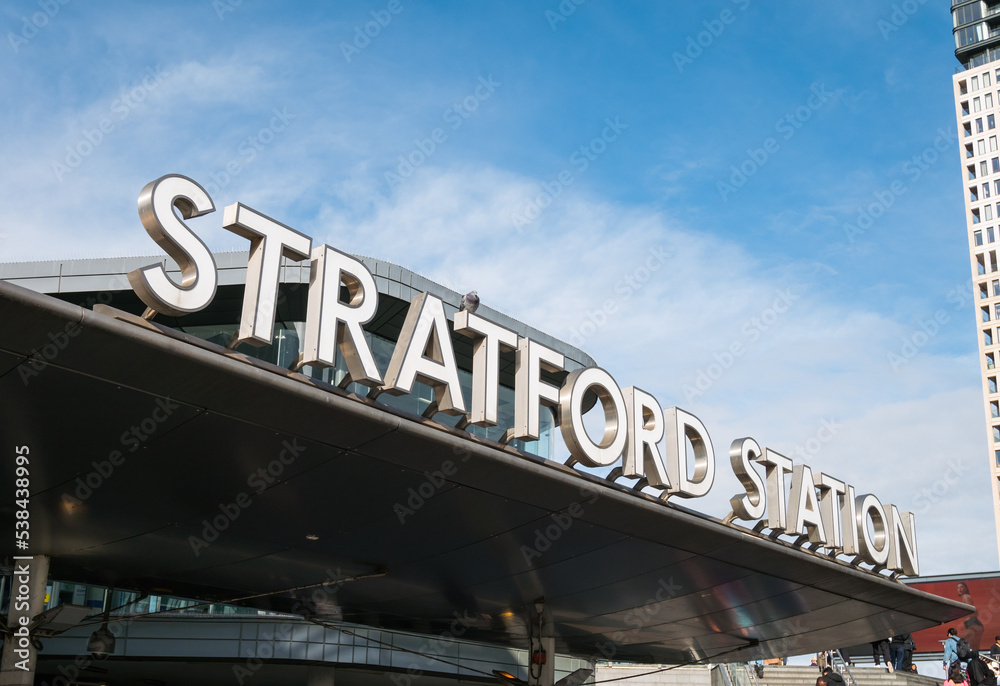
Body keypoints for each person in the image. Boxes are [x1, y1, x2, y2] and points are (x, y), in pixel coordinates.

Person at [960, 583, 986, 651]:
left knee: (964, 642)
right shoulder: (967, 596)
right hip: (975, 625)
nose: (959, 589)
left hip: (973, 624)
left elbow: (971, 609)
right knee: (974, 647)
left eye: (961, 587)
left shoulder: (965, 596)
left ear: (965, 588)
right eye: (958, 588)